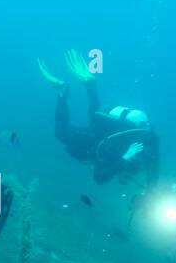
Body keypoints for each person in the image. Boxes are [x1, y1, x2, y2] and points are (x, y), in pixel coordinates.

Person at [38, 50, 160, 187]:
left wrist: (151, 187)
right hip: (99, 141)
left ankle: (90, 87)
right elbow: (99, 178)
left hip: (109, 132)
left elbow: (153, 174)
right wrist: (125, 159)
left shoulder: (150, 146)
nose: (124, 181)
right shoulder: (120, 160)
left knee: (95, 123)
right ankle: (62, 91)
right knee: (61, 134)